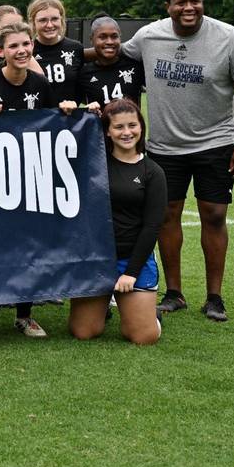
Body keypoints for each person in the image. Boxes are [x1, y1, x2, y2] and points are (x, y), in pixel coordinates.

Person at [120, 0, 234, 322]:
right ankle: (174, 293)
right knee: (166, 216)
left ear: (202, 2)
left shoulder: (229, 37)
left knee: (214, 215)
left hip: (214, 143)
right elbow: (109, 53)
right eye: (181, 2)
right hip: (165, 146)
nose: (189, 7)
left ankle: (214, 297)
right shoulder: (149, 36)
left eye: (195, 0)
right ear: (167, 6)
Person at [0, 21, 78, 340]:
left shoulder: (40, 84)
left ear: (33, 47)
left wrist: (67, 110)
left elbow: (51, 125)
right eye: (13, 46)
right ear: (0, 50)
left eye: (26, 44)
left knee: (28, 246)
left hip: (28, 179)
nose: (21, 50)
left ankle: (24, 314)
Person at [69, 99, 164, 345]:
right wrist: (78, 113)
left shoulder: (152, 172)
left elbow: (152, 227)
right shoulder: (92, 163)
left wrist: (131, 273)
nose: (127, 132)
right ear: (108, 132)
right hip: (96, 259)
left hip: (133, 259)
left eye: (132, 125)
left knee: (143, 337)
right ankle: (111, 306)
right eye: (119, 127)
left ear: (141, 127)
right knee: (84, 331)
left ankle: (148, 315)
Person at [79, 16, 145, 113]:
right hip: (98, 128)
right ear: (91, 39)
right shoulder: (84, 73)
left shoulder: (135, 66)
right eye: (103, 37)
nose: (109, 42)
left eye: (114, 36)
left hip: (129, 128)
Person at [28, 0, 84, 104]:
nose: (49, 25)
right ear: (33, 22)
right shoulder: (27, 50)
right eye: (43, 20)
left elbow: (81, 87)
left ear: (62, 19)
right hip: (38, 117)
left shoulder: (75, 48)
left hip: (69, 116)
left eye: (54, 19)